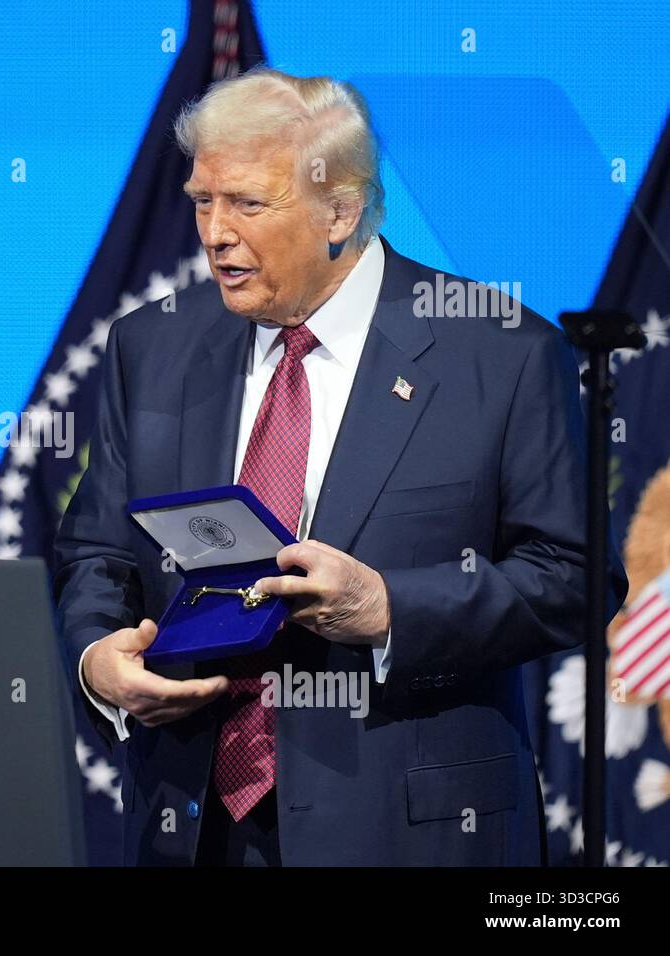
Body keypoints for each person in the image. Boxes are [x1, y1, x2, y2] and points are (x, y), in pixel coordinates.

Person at [53, 69, 627, 866]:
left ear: (341, 211)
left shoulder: (501, 354)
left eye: (248, 204)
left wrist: (390, 607)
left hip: (409, 833)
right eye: (202, 200)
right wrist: (99, 659)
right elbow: (97, 553)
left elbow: (575, 577)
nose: (215, 232)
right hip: (191, 827)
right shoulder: (151, 347)